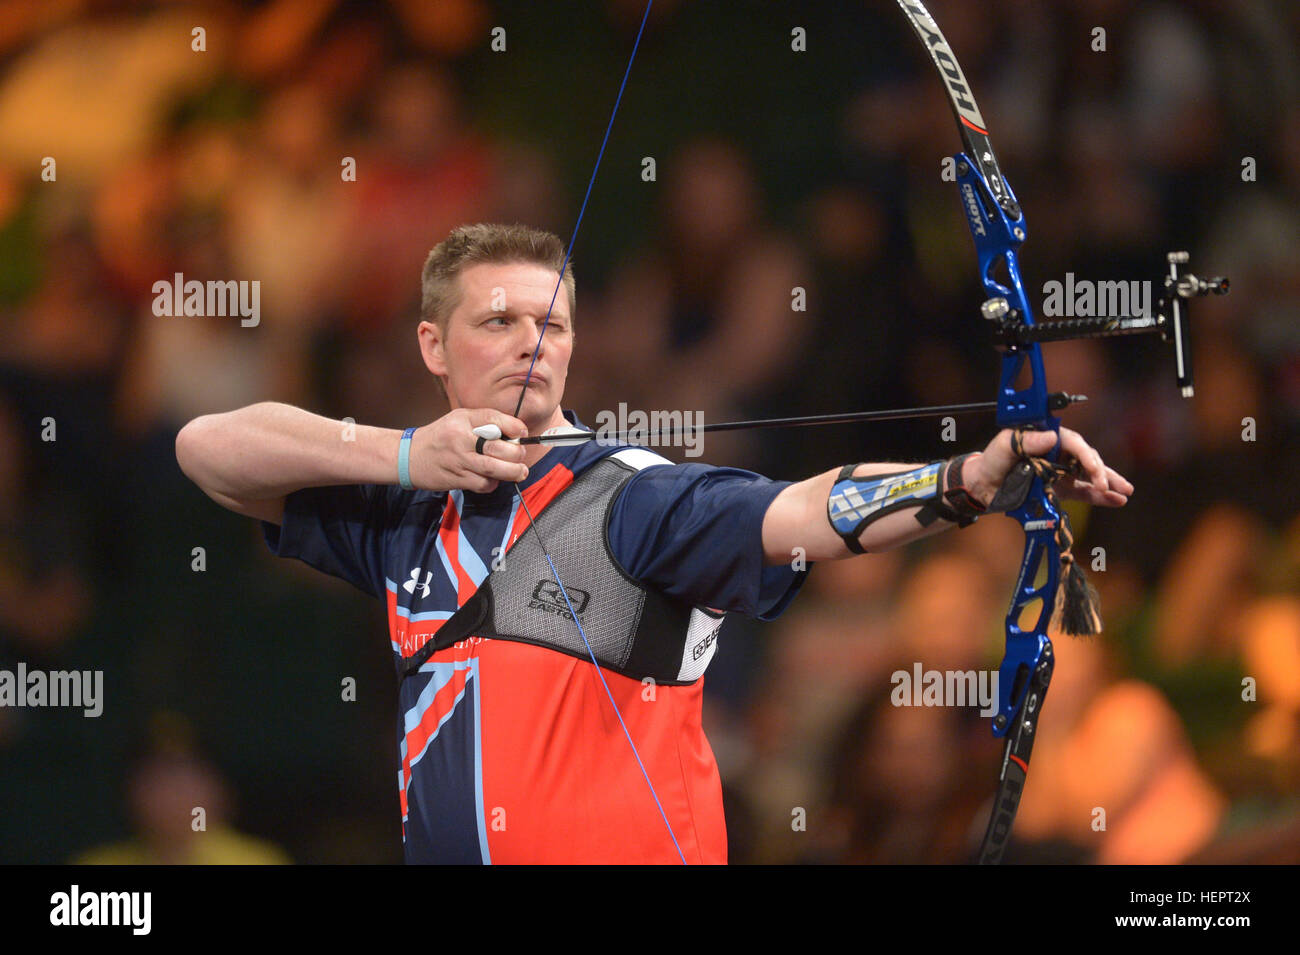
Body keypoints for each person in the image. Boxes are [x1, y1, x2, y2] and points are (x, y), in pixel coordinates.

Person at [175, 222, 1132, 864]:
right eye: (497, 321)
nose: (530, 343)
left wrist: (963, 481)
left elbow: (797, 514)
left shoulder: (630, 498)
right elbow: (207, 449)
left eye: (550, 323)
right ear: (433, 346)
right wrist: (402, 454)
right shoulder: (405, 510)